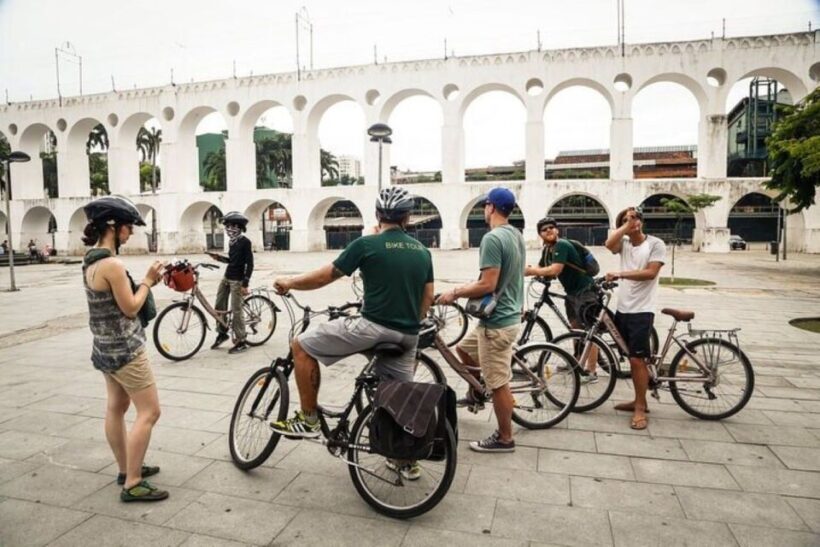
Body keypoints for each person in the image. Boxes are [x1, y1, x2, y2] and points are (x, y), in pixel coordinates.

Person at [270, 187, 434, 479]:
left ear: (377, 215)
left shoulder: (366, 244)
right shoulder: (422, 252)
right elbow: (427, 298)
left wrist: (290, 282)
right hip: (408, 335)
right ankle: (406, 460)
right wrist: (409, 321)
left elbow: (324, 276)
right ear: (408, 217)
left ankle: (308, 419)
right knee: (397, 396)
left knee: (302, 346)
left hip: (371, 327)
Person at [81, 195, 168, 502]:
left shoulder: (90, 260)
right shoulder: (113, 265)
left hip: (104, 349)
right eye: (128, 227)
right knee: (150, 412)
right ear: (113, 227)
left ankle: (125, 468)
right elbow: (130, 308)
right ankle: (133, 482)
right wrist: (148, 280)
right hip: (126, 351)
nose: (131, 233)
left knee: (116, 408)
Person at [437, 187, 525, 453]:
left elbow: (488, 283)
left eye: (484, 205)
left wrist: (455, 292)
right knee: (464, 348)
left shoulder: (492, 238)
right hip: (506, 315)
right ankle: (476, 391)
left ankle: (505, 438)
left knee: (498, 384)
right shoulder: (516, 234)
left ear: (491, 207)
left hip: (497, 324)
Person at [604, 206, 666, 430]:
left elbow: (650, 273)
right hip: (624, 308)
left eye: (636, 217)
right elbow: (609, 245)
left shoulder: (655, 244)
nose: (633, 221)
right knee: (631, 357)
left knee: (637, 360)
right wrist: (623, 227)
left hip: (643, 309)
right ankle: (637, 399)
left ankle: (641, 407)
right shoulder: (625, 244)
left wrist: (620, 274)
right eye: (627, 219)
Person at [525, 217, 600, 383]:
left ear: (557, 230)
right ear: (540, 234)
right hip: (571, 293)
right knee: (575, 329)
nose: (549, 230)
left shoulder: (562, 245)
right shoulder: (547, 250)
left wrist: (530, 272)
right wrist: (535, 272)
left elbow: (555, 269)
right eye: (544, 229)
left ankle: (591, 371)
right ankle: (576, 362)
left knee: (588, 332)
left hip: (585, 291)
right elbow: (545, 270)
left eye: (552, 227)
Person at [208, 211, 255, 355]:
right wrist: (219, 258)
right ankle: (222, 332)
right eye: (227, 226)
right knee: (219, 305)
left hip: (237, 280)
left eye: (231, 226)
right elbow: (232, 260)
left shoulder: (245, 242)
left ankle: (241, 340)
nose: (229, 229)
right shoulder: (231, 242)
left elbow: (250, 263)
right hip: (227, 277)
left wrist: (245, 283)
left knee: (236, 309)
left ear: (239, 227)